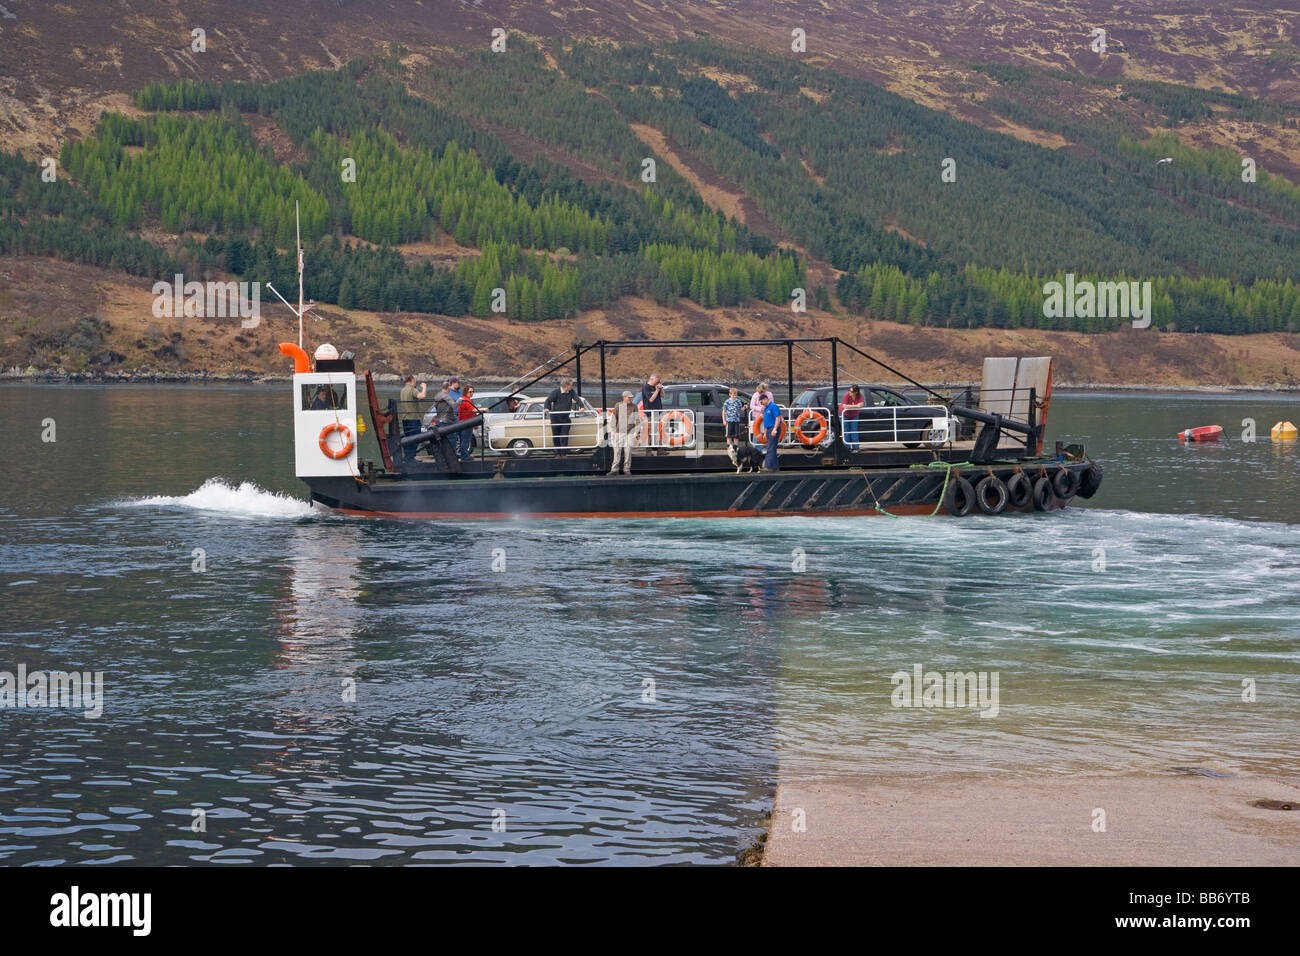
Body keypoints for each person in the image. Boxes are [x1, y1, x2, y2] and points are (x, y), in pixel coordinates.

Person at [607, 390, 644, 475]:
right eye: (629, 397)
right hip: (619, 432)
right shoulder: (618, 405)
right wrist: (612, 430)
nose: (631, 399)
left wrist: (636, 432)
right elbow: (613, 418)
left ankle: (626, 469)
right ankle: (614, 470)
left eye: (631, 397)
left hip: (630, 432)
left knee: (628, 451)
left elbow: (637, 420)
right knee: (617, 451)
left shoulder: (634, 406)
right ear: (624, 397)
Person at [544, 377, 581, 456]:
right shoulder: (556, 392)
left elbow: (577, 398)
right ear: (566, 386)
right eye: (571, 385)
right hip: (555, 418)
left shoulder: (571, 392)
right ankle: (557, 453)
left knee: (564, 436)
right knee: (556, 436)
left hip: (565, 418)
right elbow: (548, 401)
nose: (572, 387)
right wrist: (547, 408)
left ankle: (563, 454)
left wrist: (582, 407)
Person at [397, 375, 427, 462]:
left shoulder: (403, 390)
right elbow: (422, 396)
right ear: (412, 380)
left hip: (405, 418)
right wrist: (424, 387)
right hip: (413, 418)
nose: (416, 383)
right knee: (415, 438)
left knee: (408, 438)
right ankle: (411, 458)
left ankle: (407, 456)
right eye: (415, 381)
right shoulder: (412, 389)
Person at [639, 374, 664, 450]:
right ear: (652, 379)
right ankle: (649, 449)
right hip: (650, 413)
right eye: (657, 381)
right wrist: (656, 391)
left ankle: (659, 449)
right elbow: (651, 399)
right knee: (650, 431)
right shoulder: (646, 387)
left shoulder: (656, 387)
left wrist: (661, 388)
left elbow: (663, 396)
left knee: (660, 431)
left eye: (659, 382)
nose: (657, 383)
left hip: (659, 412)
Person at [722, 386, 746, 464]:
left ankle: (736, 448)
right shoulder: (727, 402)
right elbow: (723, 411)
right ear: (729, 394)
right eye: (732, 394)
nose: (734, 396)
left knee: (736, 436)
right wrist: (724, 420)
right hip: (729, 421)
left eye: (735, 394)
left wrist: (744, 407)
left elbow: (740, 410)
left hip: (736, 421)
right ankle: (728, 448)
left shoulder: (738, 402)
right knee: (728, 435)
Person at [759, 393, 783, 471]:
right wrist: (765, 433)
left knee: (770, 448)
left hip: (773, 428)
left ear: (766, 399)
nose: (761, 404)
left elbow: (777, 418)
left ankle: (768, 466)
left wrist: (775, 429)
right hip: (768, 429)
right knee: (771, 447)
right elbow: (766, 422)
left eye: (762, 402)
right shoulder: (766, 408)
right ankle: (775, 467)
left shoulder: (773, 406)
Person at [839, 383, 865, 450]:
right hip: (844, 415)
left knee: (854, 431)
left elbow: (861, 405)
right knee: (846, 432)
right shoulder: (846, 395)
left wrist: (850, 406)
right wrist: (856, 406)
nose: (850, 392)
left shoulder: (860, 395)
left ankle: (856, 447)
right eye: (849, 390)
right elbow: (844, 406)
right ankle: (846, 448)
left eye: (852, 391)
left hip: (854, 415)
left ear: (856, 392)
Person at [456, 385, 479, 461]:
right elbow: (473, 410)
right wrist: (483, 409)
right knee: (465, 440)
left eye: (473, 391)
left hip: (464, 422)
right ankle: (464, 456)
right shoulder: (466, 400)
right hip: (466, 423)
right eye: (470, 392)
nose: (472, 393)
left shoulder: (465, 399)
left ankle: (464, 455)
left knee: (464, 440)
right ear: (466, 392)